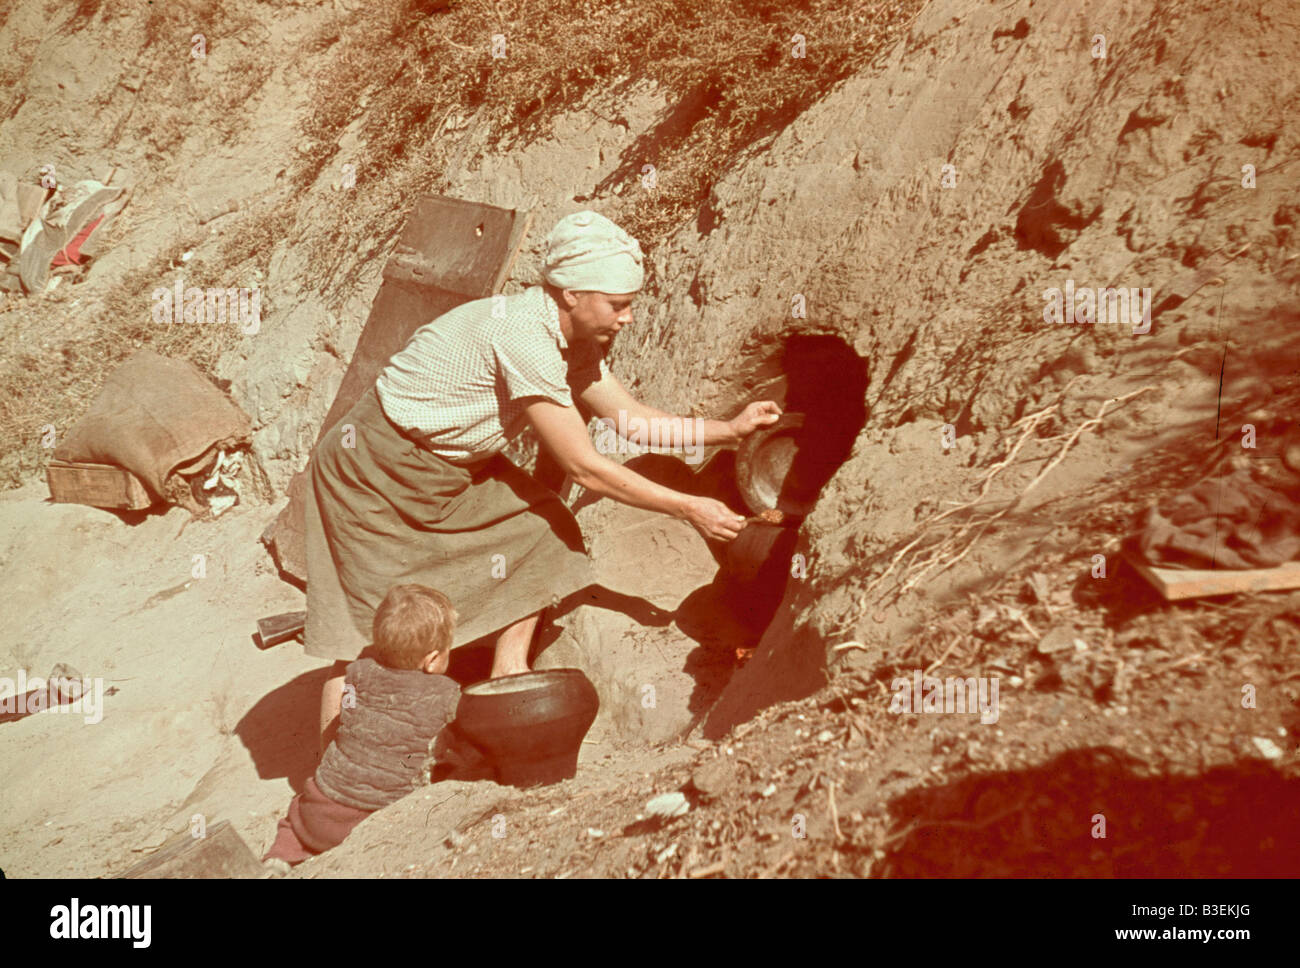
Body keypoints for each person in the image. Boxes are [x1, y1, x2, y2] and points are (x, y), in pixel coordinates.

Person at [304, 210, 782, 751]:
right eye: (618, 305)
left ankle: (509, 670)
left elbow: (630, 419)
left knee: (542, 527)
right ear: (572, 294)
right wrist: (690, 507)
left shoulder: (571, 339)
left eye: (630, 305)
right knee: (374, 629)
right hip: (372, 468)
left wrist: (728, 431)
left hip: (451, 466)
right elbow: (584, 468)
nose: (627, 318)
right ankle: (333, 770)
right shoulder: (522, 334)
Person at [264, 584, 468, 870]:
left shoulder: (357, 673)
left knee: (295, 817)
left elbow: (349, 714)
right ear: (433, 660)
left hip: (320, 816)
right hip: (378, 822)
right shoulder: (448, 694)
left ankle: (280, 856)